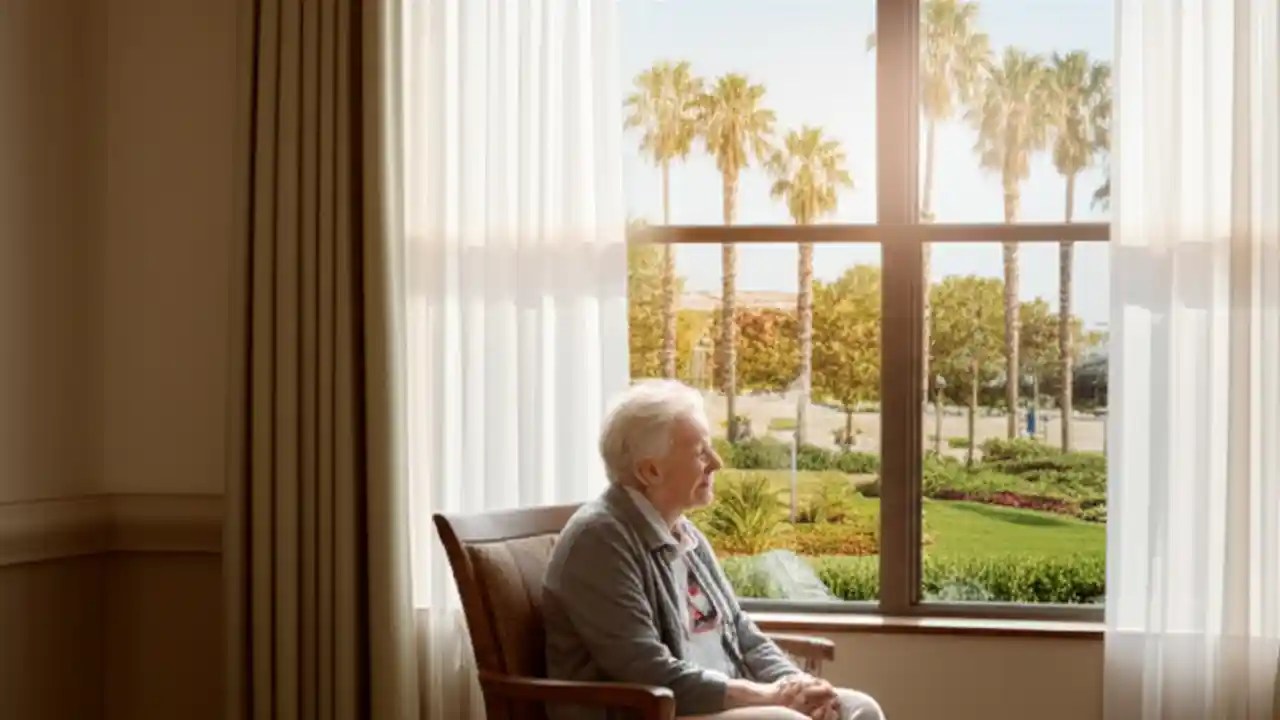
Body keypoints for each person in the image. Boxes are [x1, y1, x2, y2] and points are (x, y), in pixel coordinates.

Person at [542, 380, 886, 720]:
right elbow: (645, 669)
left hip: (721, 701)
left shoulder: (682, 531)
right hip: (660, 710)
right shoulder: (600, 542)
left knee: (858, 710)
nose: (717, 462)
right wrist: (769, 697)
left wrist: (797, 687)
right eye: (700, 452)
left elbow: (738, 628)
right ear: (650, 470)